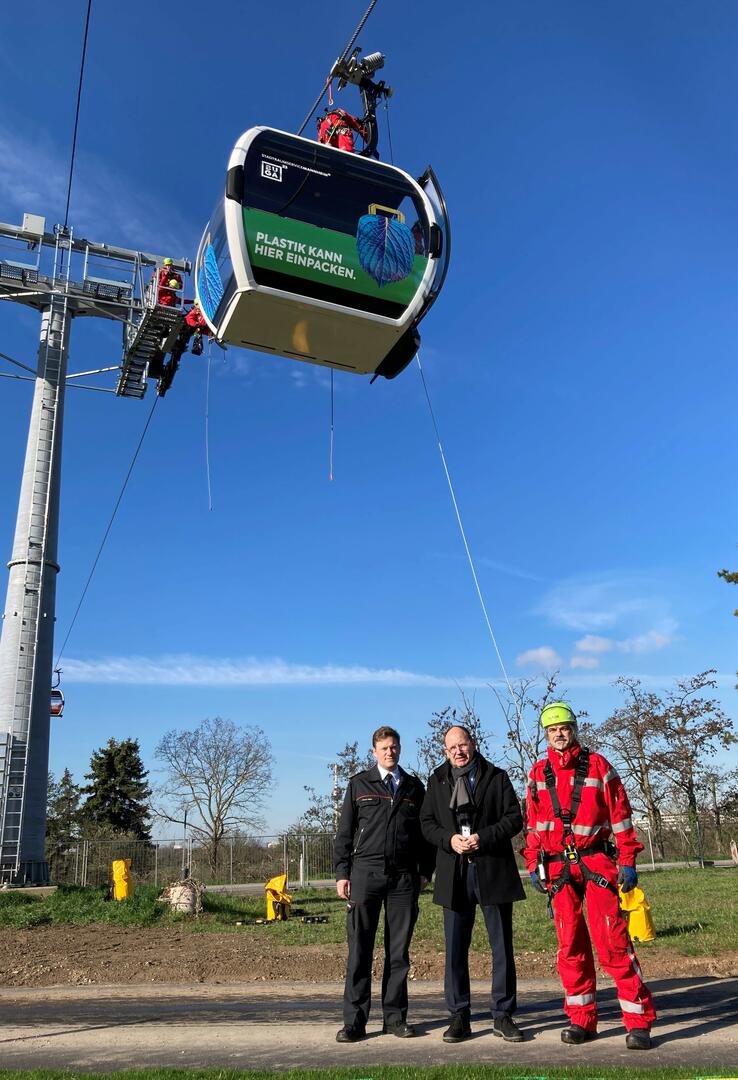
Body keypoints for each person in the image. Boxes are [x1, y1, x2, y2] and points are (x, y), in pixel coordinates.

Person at [521, 702, 656, 1050]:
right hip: (557, 869)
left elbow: (621, 817)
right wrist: (533, 860)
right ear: (546, 735)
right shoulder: (538, 773)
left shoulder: (598, 767)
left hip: (596, 864)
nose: (559, 734)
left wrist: (628, 860)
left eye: (564, 728)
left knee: (613, 943)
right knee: (571, 948)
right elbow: (534, 824)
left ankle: (638, 1022)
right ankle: (582, 1019)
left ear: (574, 729)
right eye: (553, 730)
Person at [420, 725, 526, 1044]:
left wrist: (484, 837)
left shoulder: (496, 776)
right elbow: (427, 824)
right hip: (454, 874)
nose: (458, 752)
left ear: (473, 744)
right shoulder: (437, 780)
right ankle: (459, 1016)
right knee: (454, 950)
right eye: (451, 748)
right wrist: (450, 840)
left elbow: (513, 818)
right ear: (445, 752)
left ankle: (503, 1015)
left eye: (462, 745)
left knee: (501, 947)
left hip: (492, 868)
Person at [334, 725, 434, 1043]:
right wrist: (342, 873)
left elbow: (426, 835)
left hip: (404, 878)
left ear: (399, 749)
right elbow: (345, 833)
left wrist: (425, 870)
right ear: (374, 751)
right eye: (384, 747)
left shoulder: (414, 788)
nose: (390, 752)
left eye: (394, 747)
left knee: (398, 953)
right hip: (365, 875)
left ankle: (395, 1017)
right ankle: (355, 1022)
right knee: (359, 951)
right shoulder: (359, 784)